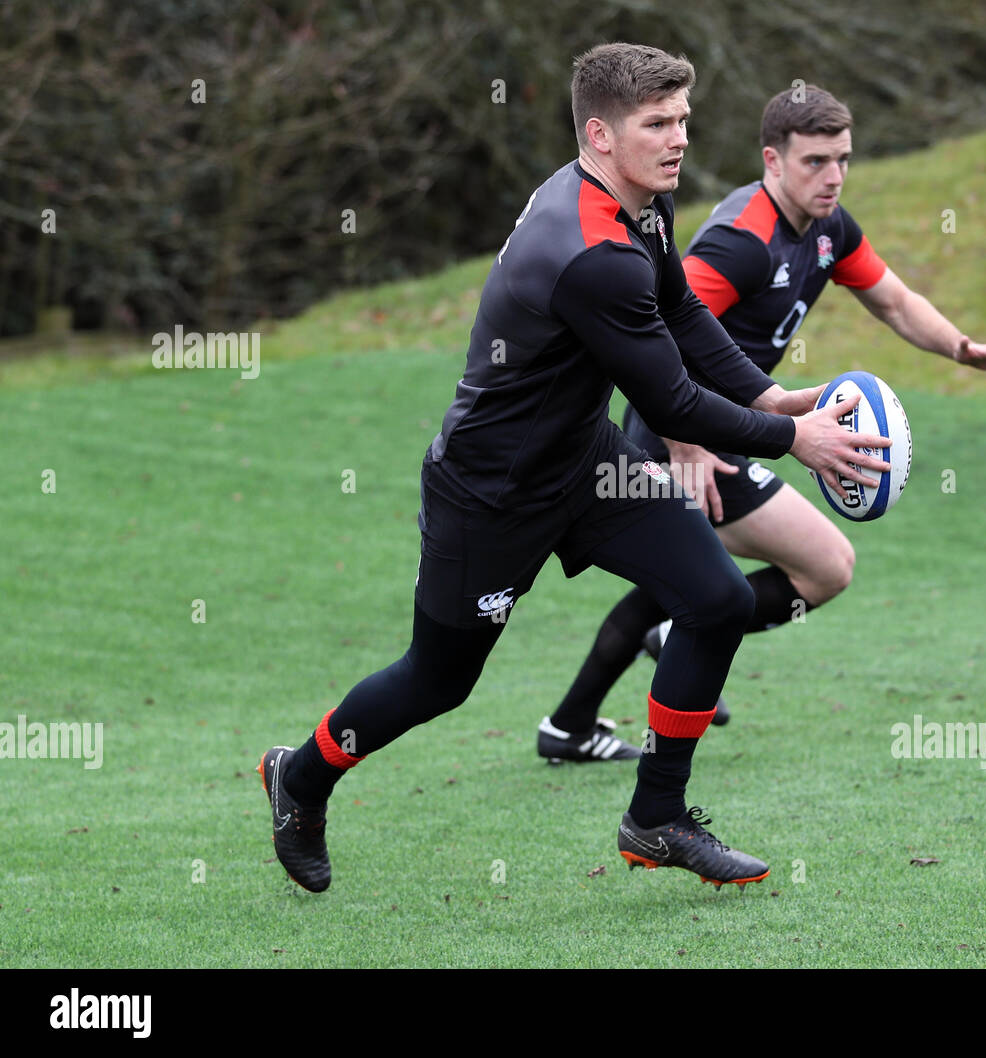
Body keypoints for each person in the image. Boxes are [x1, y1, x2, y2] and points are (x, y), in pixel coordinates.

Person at [258, 46, 891, 892]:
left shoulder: (640, 201)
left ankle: (656, 818)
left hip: (588, 464)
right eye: (657, 124)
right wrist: (799, 442)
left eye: (683, 121)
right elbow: (671, 404)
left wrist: (777, 399)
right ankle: (300, 777)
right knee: (438, 680)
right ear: (599, 133)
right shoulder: (593, 252)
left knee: (719, 599)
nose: (678, 141)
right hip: (492, 491)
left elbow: (683, 314)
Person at [539, 84, 986, 762]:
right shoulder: (743, 242)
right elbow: (656, 331)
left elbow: (892, 300)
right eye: (815, 162)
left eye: (843, 160)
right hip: (678, 435)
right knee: (705, 584)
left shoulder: (830, 229)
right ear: (773, 160)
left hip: (740, 428)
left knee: (822, 568)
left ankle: (593, 704)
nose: (833, 177)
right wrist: (681, 444)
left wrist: (960, 348)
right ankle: (595, 717)